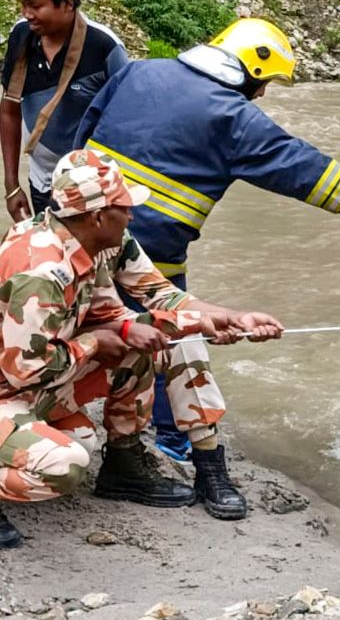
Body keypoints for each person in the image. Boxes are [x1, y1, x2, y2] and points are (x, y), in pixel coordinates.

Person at [73, 17, 340, 461]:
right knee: (170, 333)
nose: (262, 94)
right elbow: (298, 167)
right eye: (264, 83)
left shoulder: (139, 71)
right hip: (153, 248)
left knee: (80, 321)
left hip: (81, 229)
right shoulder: (233, 116)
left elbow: (81, 136)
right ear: (250, 70)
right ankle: (171, 435)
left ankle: (61, 411)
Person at [0, 149, 284, 547]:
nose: (132, 214)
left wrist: (228, 318)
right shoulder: (40, 268)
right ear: (98, 215)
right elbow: (24, 370)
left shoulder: (100, 239)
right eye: (125, 207)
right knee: (65, 464)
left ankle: (136, 464)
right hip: (15, 385)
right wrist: (99, 341)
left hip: (43, 377)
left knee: (177, 333)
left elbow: (161, 296)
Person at [2, 0, 128, 220]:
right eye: (23, 5)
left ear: (68, 3)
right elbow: (9, 110)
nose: (27, 14)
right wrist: (12, 186)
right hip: (41, 183)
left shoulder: (105, 47)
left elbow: (128, 127)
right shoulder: (21, 36)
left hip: (91, 188)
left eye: (35, 6)